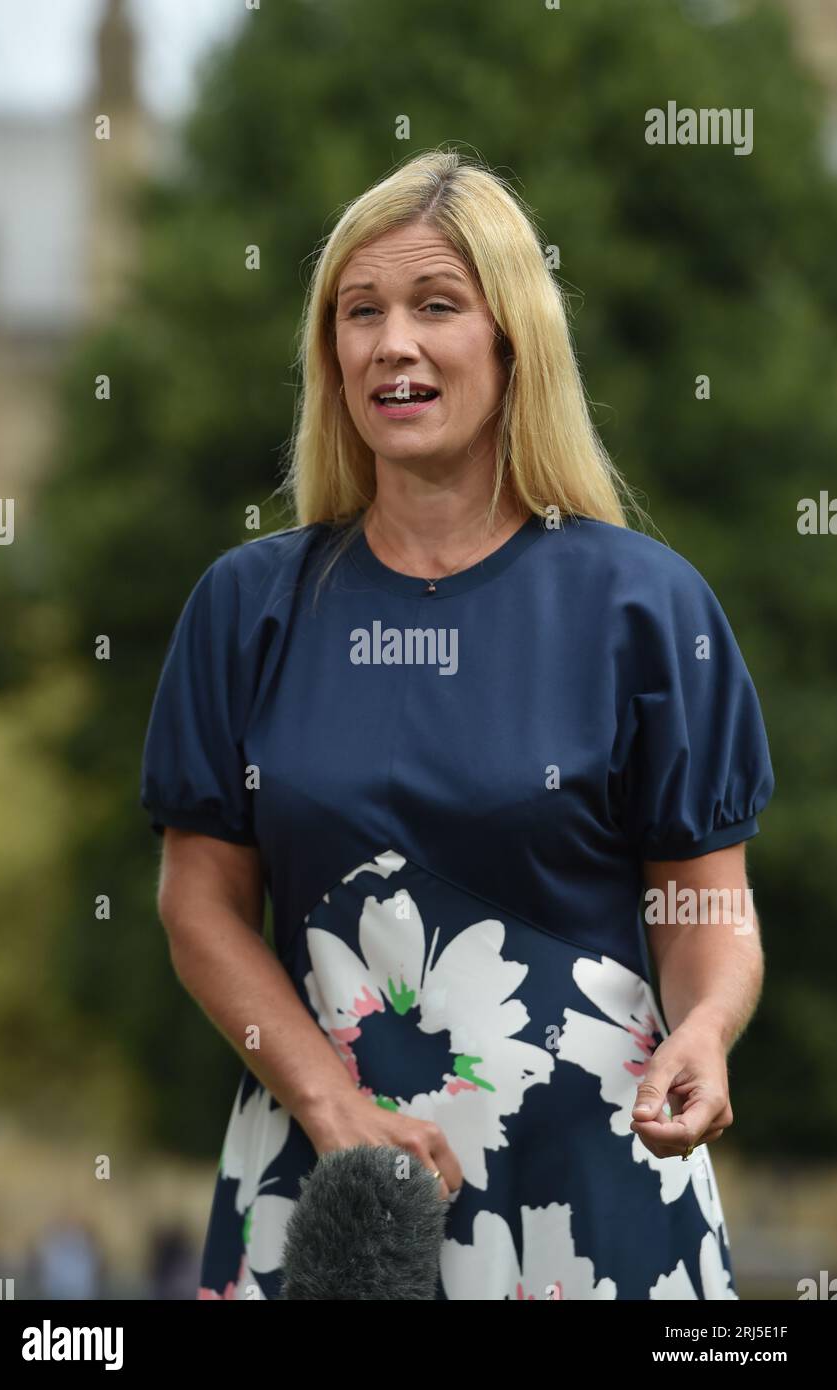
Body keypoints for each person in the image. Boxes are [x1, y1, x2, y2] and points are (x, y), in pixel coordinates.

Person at [140, 148, 774, 1300]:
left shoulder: (646, 604)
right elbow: (200, 902)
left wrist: (708, 1027)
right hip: (322, 1181)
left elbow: (703, 903)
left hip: (597, 1184)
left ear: (511, 341)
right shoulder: (246, 608)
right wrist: (335, 1109)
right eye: (359, 312)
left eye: (437, 306)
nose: (393, 343)